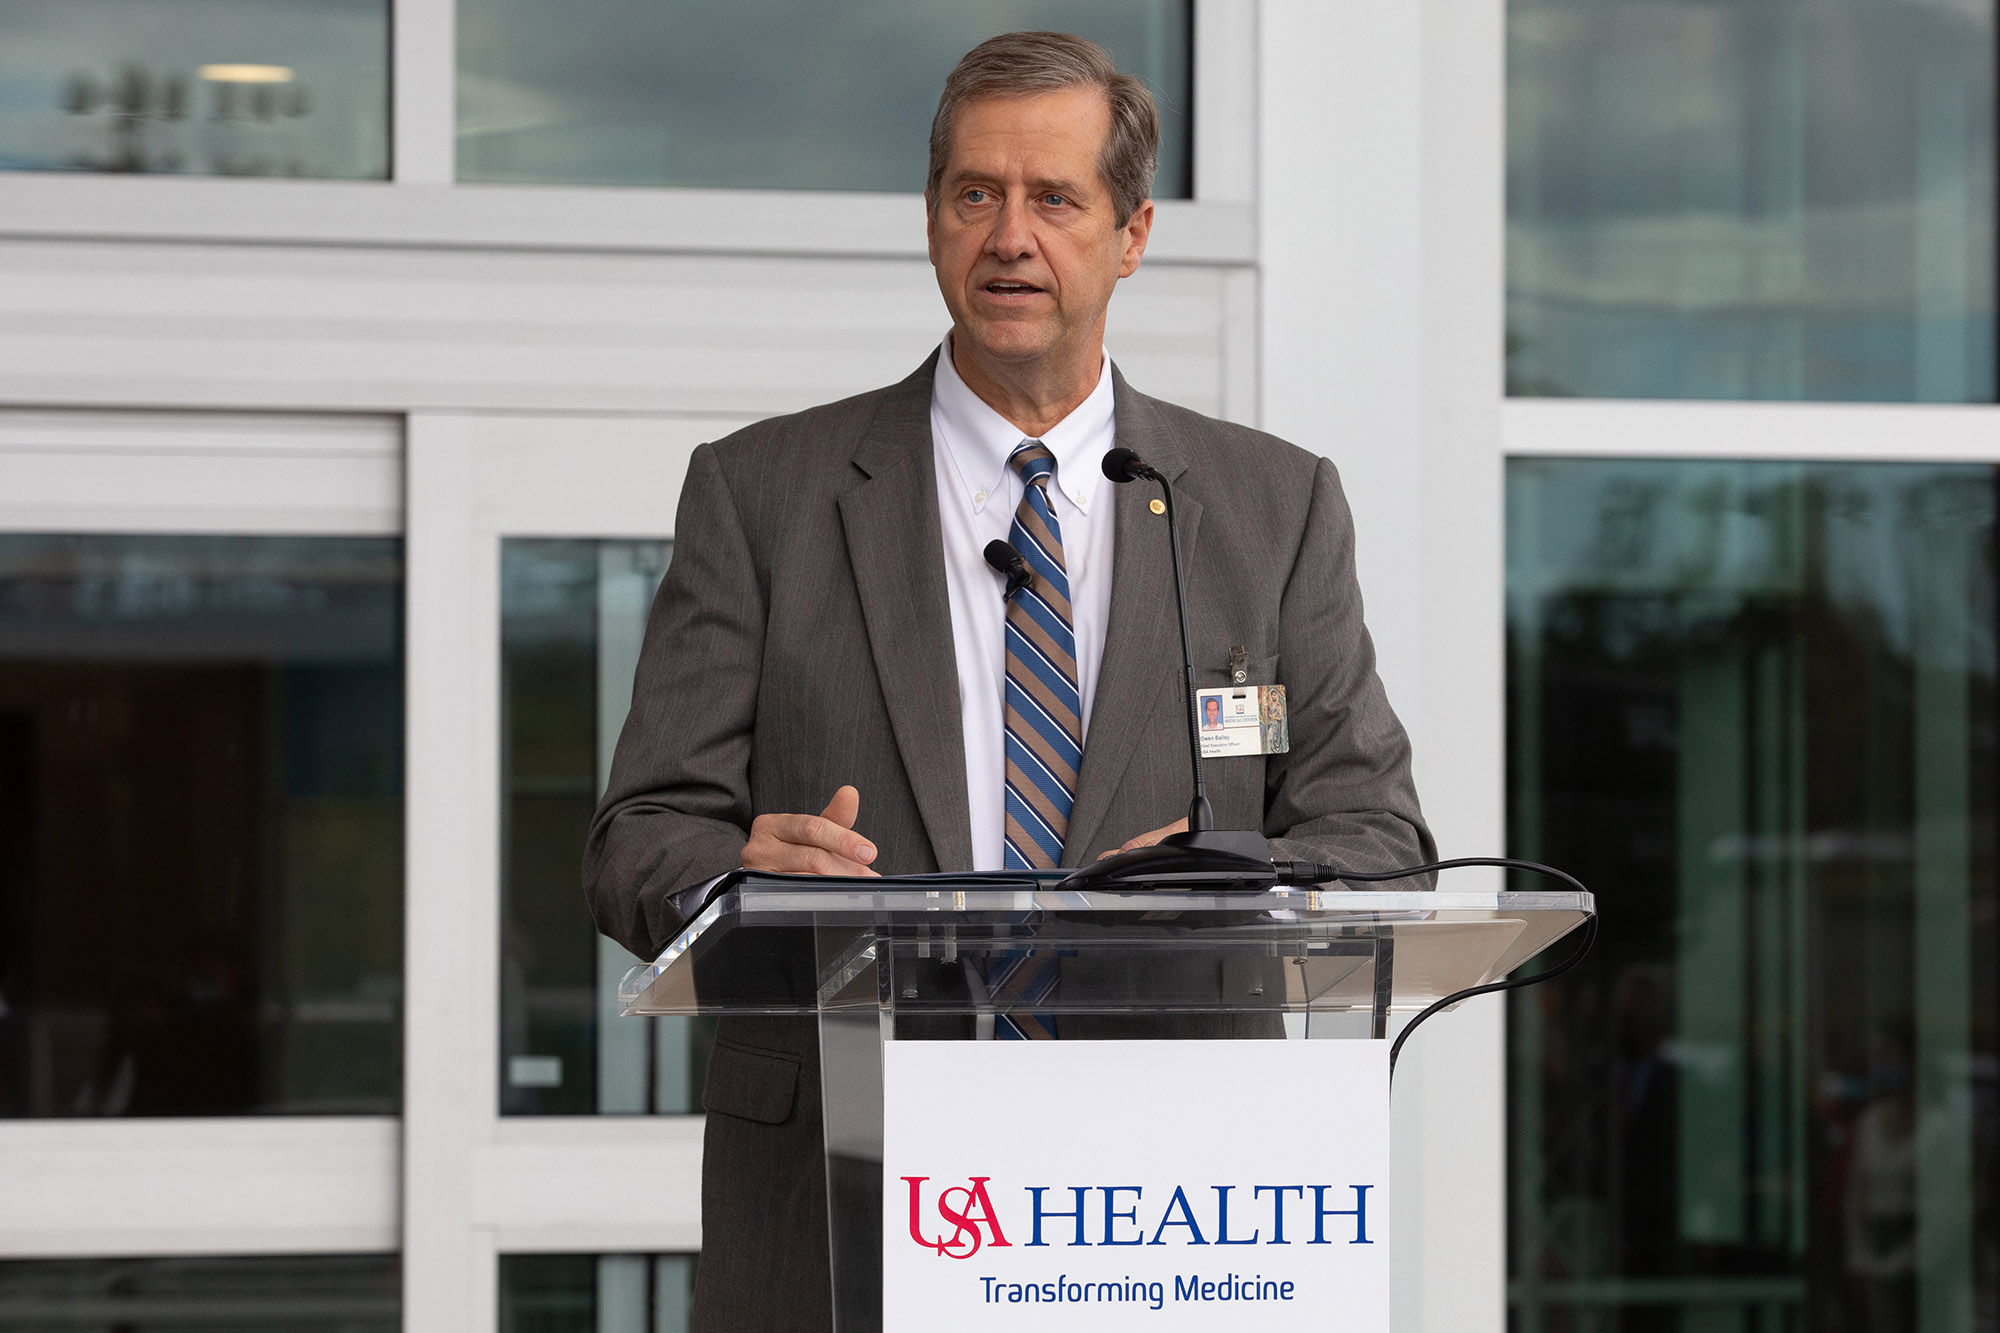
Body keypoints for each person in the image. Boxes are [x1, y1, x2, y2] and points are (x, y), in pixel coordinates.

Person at [582, 30, 1433, 1332]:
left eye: (1054, 198)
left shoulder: (1273, 508)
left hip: (1171, 1214)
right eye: (975, 194)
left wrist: (1230, 888)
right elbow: (636, 837)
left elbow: (1379, 841)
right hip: (845, 1203)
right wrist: (737, 886)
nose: (1010, 237)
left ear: (1133, 233)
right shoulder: (764, 496)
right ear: (932, 221)